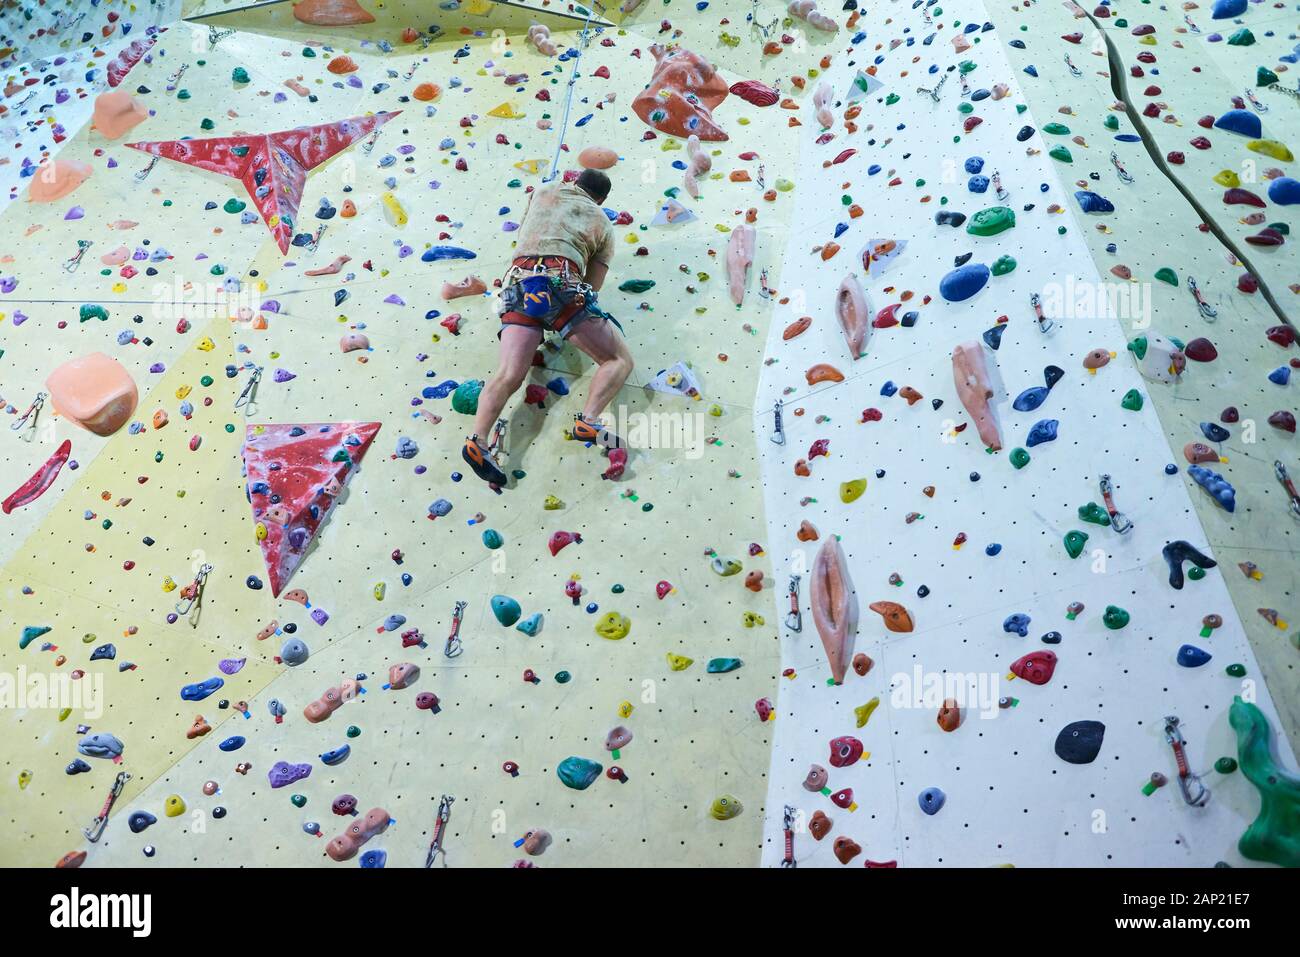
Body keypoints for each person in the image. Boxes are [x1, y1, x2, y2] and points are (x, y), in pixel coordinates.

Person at [462, 169, 634, 485]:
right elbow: (592, 285)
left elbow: (528, 223)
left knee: (508, 373)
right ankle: (590, 420)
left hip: (517, 285)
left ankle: (478, 439)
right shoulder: (603, 223)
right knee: (617, 360)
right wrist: (568, 316)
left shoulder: (544, 191)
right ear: (602, 199)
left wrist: (553, 186)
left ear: (575, 182)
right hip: (558, 280)